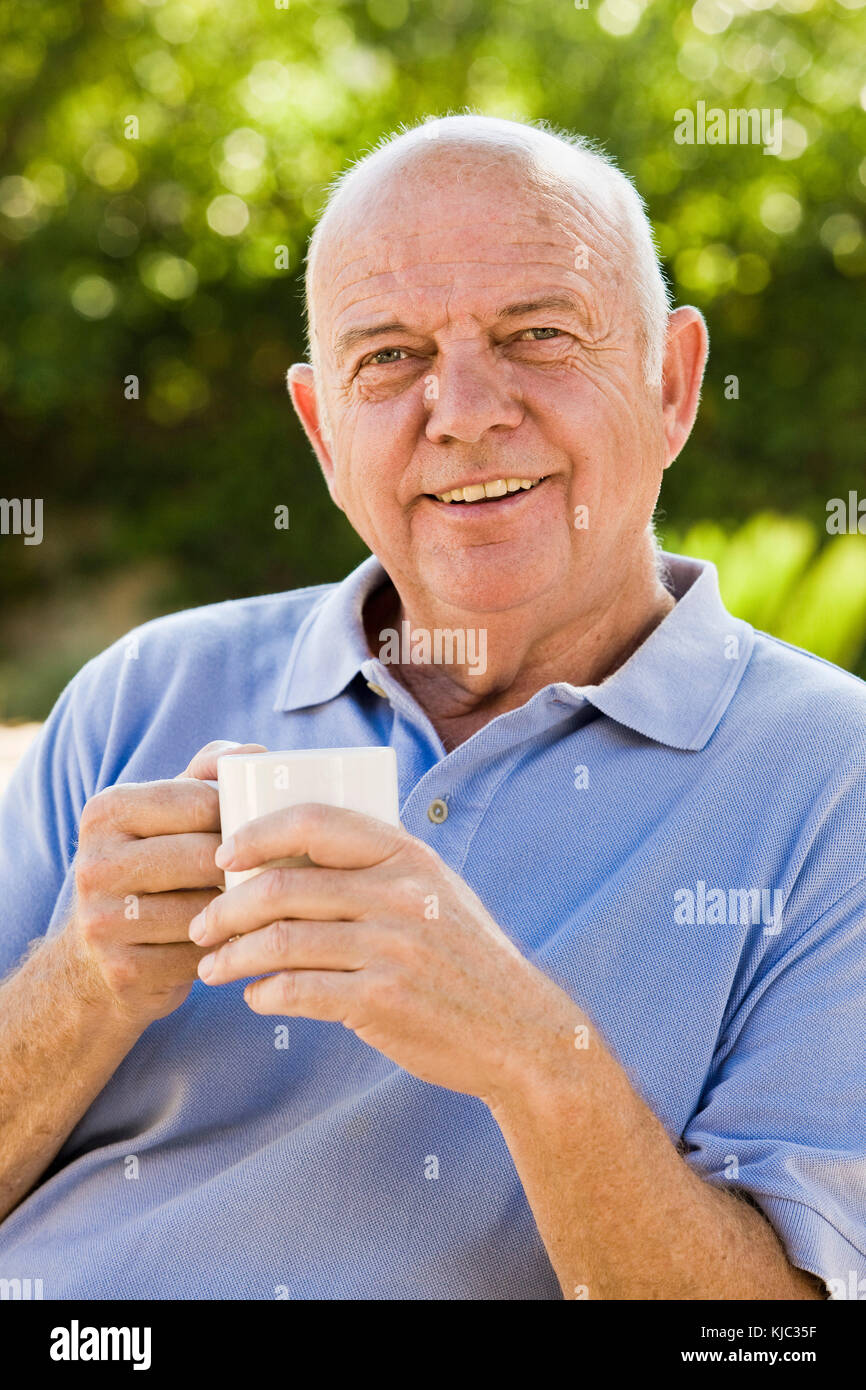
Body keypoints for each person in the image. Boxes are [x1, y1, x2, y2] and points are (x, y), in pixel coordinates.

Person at [0, 114, 862, 1301]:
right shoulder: (143, 693)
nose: (461, 409)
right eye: (390, 357)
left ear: (669, 382)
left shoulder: (830, 776)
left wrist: (531, 1057)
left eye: (537, 334)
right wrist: (77, 985)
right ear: (319, 429)